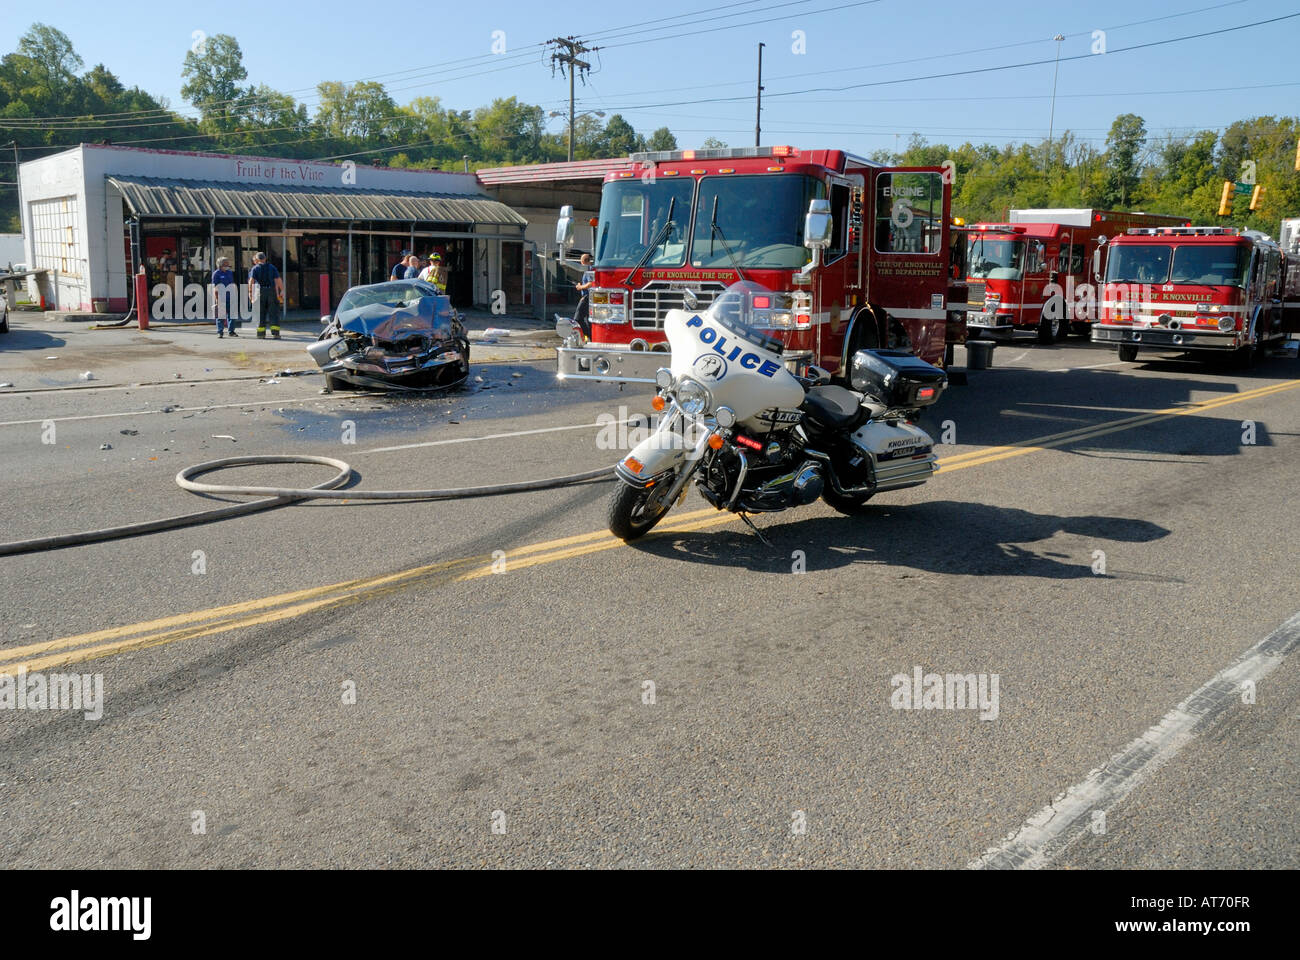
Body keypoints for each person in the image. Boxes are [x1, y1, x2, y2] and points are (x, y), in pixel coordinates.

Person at [248, 251, 284, 339]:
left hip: (259, 292)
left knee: (260, 313)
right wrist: (282, 290)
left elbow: (251, 280)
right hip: (271, 291)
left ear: (257, 259)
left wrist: (250, 293)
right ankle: (276, 333)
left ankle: (261, 334)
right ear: (265, 258)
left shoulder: (255, 268)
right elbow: (278, 279)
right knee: (274, 312)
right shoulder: (272, 267)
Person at [211, 257, 237, 338]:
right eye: (225, 263)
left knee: (232, 315)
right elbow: (215, 287)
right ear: (220, 265)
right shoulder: (216, 274)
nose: (227, 265)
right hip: (221, 297)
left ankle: (231, 331)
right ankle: (220, 332)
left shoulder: (229, 273)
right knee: (221, 316)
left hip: (230, 296)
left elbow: (232, 284)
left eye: (227, 263)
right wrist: (217, 299)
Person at [573, 253, 595, 330]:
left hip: (587, 297)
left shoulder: (588, 269)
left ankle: (587, 335)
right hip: (589, 296)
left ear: (583, 261)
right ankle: (590, 336)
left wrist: (580, 287)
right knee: (588, 319)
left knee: (577, 318)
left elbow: (590, 284)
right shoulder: (591, 268)